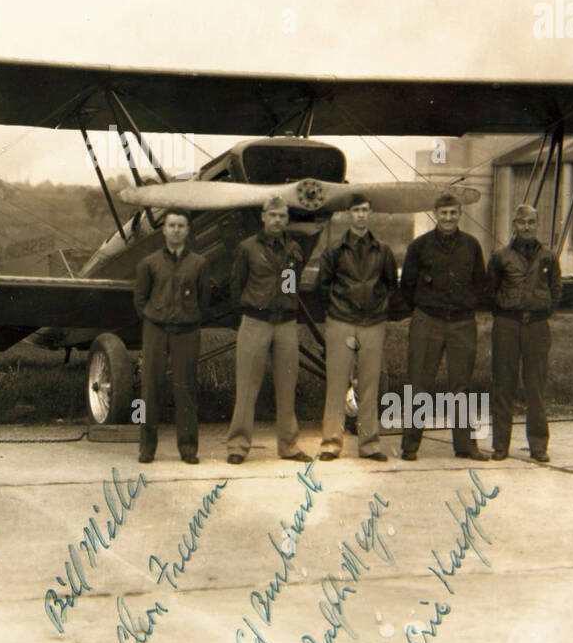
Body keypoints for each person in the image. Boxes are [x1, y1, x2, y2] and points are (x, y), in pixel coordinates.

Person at [398, 192, 490, 462]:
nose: (448, 218)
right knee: (419, 383)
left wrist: (466, 305)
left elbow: (479, 283)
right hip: (428, 321)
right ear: (435, 215)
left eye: (453, 213)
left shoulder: (472, 246)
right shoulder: (419, 246)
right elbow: (407, 286)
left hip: (462, 323)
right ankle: (410, 445)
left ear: (460, 214)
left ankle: (465, 445)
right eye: (443, 213)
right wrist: (425, 307)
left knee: (461, 385)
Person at [226, 196, 312, 465]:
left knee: (287, 387)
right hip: (255, 322)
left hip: (285, 324)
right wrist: (252, 311)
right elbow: (236, 287)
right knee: (247, 387)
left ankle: (289, 445)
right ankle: (238, 446)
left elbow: (290, 286)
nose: (277, 220)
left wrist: (285, 305)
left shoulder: (293, 249)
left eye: (282, 216)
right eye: (273, 215)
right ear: (263, 217)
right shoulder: (247, 249)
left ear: (286, 219)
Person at [316, 194, 399, 462]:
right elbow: (322, 286)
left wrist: (378, 308)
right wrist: (338, 308)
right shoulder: (334, 251)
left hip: (372, 323)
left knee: (369, 384)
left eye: (365, 210)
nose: (361, 215)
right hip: (340, 321)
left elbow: (390, 285)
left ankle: (369, 443)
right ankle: (331, 442)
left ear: (370, 214)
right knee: (337, 383)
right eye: (356, 210)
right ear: (349, 214)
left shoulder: (383, 250)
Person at [132, 208, 211, 464]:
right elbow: (140, 299)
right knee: (150, 389)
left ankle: (188, 448)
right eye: (171, 225)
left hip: (186, 332)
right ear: (164, 230)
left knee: (185, 389)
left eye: (181, 226)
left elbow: (204, 299)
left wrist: (189, 317)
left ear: (188, 230)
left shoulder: (199, 263)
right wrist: (156, 317)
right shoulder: (149, 263)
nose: (176, 230)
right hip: (155, 330)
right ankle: (146, 447)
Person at [488, 203, 562, 463]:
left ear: (537, 225)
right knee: (503, 384)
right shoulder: (500, 257)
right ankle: (500, 445)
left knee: (536, 386)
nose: (527, 227)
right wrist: (508, 310)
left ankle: (538, 445)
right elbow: (491, 290)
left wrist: (541, 311)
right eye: (522, 223)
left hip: (537, 327)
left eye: (531, 222)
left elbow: (556, 291)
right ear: (514, 226)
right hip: (507, 325)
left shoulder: (548, 258)